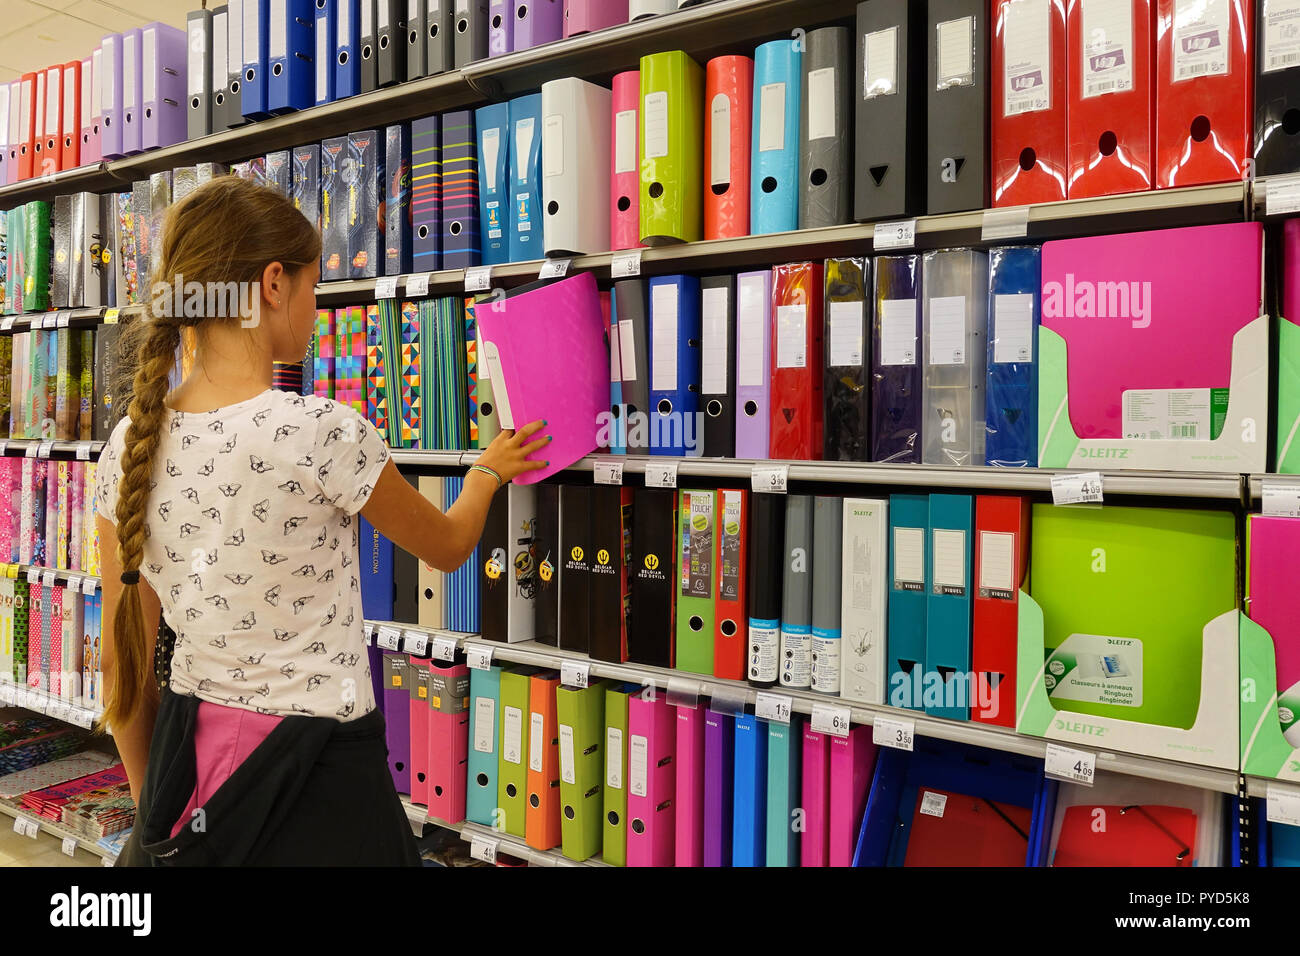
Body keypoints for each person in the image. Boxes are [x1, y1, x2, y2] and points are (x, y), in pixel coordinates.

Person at [94, 176, 548, 865]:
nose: (315, 306)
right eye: (313, 286)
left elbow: (120, 666)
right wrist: (487, 472)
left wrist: (156, 819)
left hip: (190, 768)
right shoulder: (321, 432)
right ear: (273, 283)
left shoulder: (128, 446)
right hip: (323, 772)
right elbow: (450, 546)